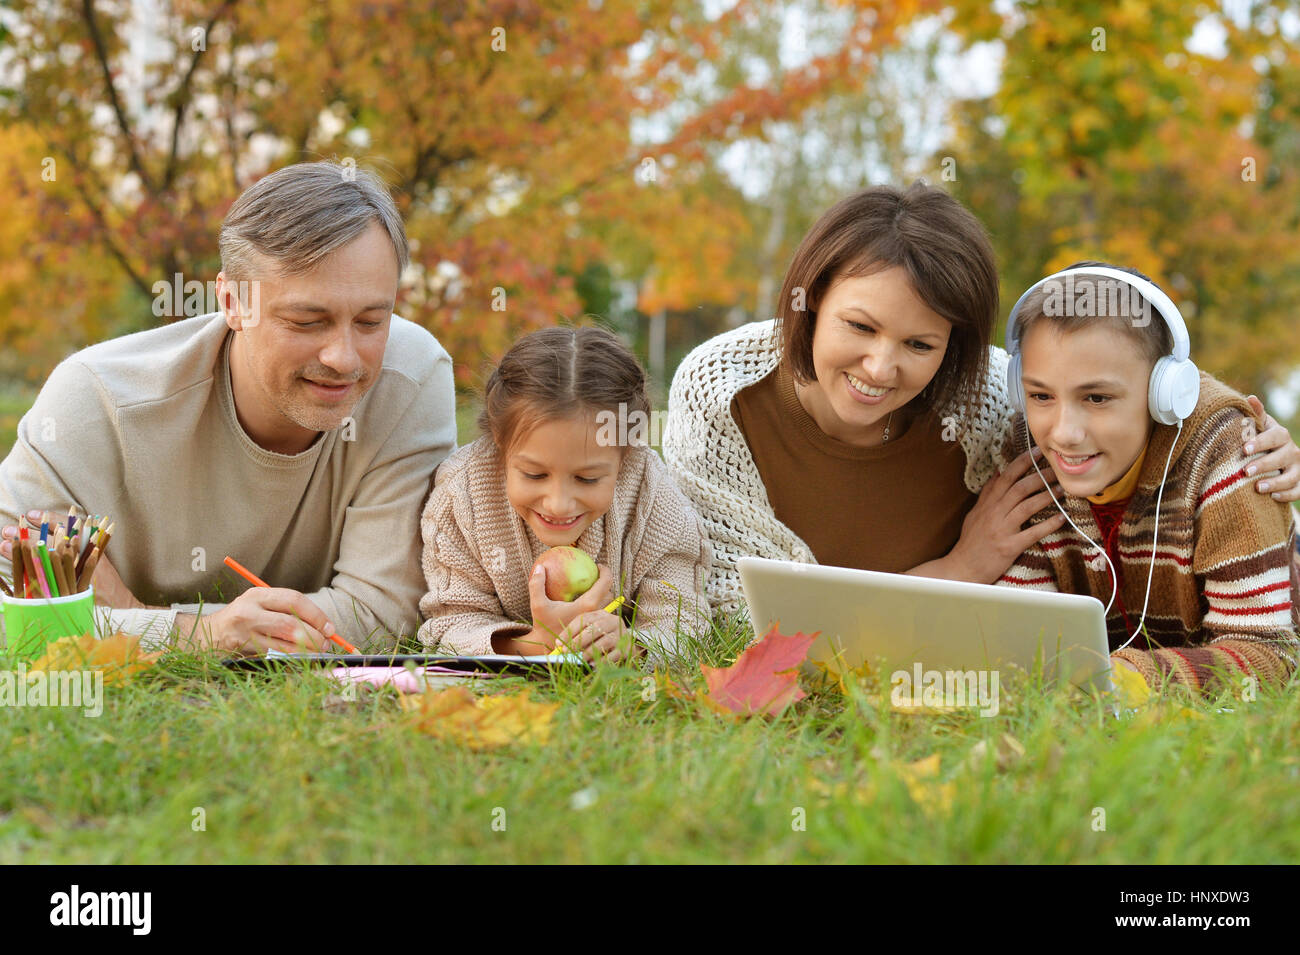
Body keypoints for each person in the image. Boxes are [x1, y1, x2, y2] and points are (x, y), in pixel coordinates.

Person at [663, 183, 1300, 616]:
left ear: (955, 347)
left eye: (919, 343)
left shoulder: (995, 398)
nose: (880, 367)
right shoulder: (721, 393)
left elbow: (1120, 378)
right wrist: (960, 569)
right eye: (859, 327)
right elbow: (735, 618)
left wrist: (1242, 435)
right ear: (811, 299)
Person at [0, 161, 456, 655]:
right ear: (232, 301)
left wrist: (135, 618)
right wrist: (201, 635)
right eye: (306, 321)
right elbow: (13, 619)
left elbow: (381, 615)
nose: (344, 358)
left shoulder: (412, 376)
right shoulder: (97, 399)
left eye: (371, 320)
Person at [996, 262, 1299, 692]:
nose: (1063, 433)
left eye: (1097, 397)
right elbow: (1026, 645)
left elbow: (1268, 654)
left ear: (1166, 394)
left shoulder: (1230, 453)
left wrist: (1125, 680)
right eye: (1040, 395)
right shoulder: (1029, 455)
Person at [418, 326, 711, 665]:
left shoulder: (652, 495)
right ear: (500, 441)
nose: (558, 503)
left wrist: (634, 646)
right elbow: (449, 625)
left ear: (626, 455)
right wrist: (538, 644)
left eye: (587, 479)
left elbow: (684, 622)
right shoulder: (462, 496)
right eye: (534, 474)